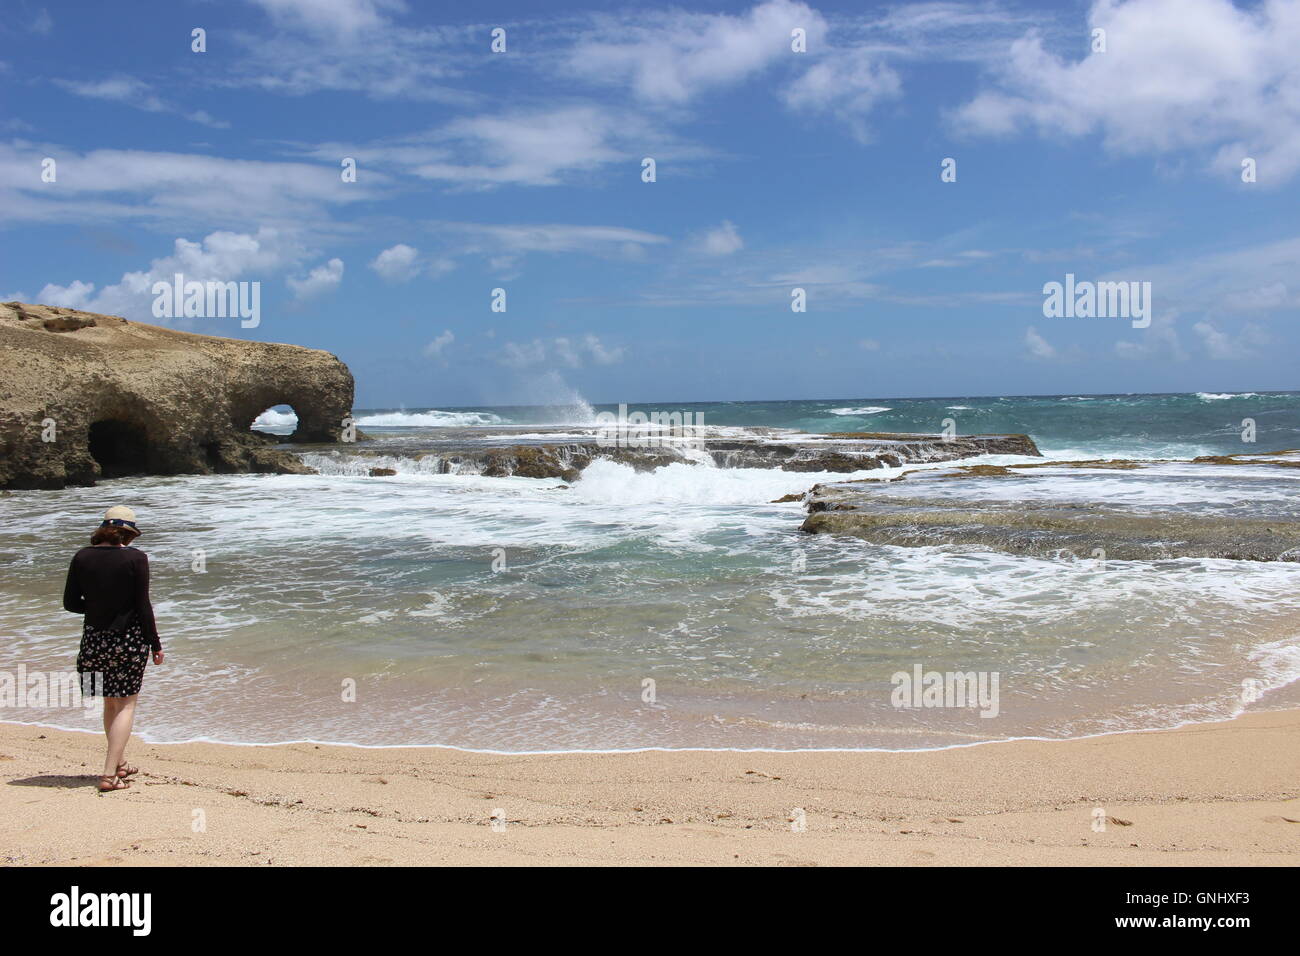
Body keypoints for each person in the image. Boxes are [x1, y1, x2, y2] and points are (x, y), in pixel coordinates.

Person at [62, 506, 164, 793]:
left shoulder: (82, 556)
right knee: (127, 703)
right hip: (128, 639)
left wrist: (97, 609)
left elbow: (70, 603)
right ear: (128, 534)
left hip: (93, 639)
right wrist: (155, 643)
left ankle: (118, 763)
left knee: (109, 703)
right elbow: (143, 606)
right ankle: (108, 774)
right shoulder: (135, 559)